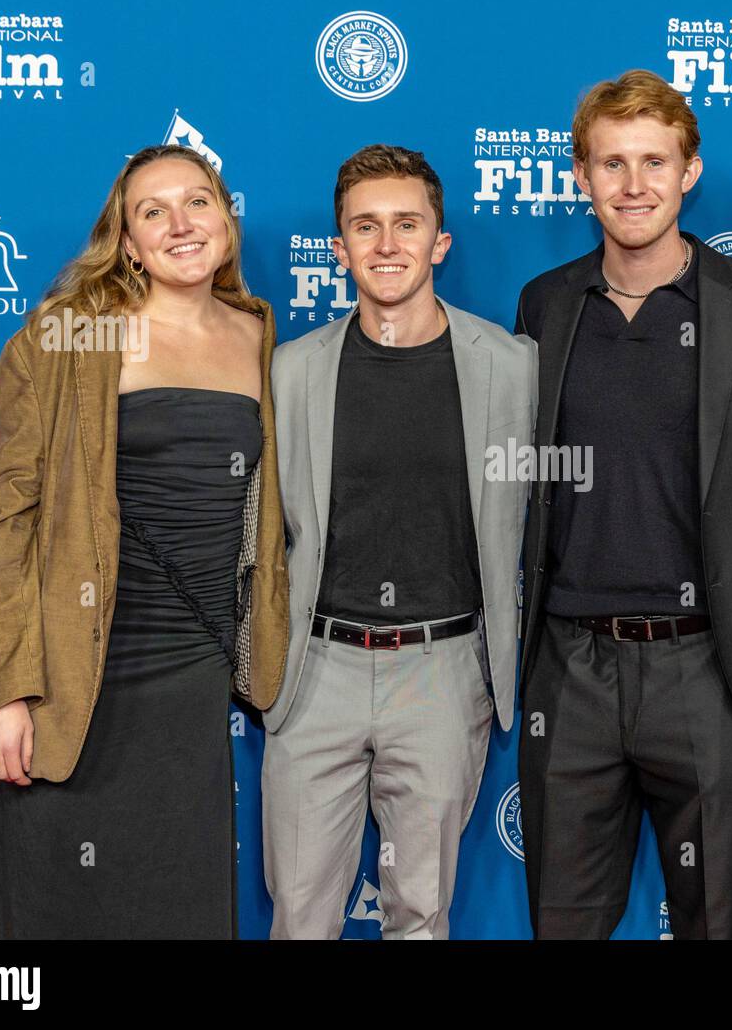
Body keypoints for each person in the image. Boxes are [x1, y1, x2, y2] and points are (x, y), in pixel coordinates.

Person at [0, 144, 289, 938]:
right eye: (153, 211)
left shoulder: (258, 334)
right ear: (129, 242)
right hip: (77, 669)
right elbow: (3, 520)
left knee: (174, 899)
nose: (181, 224)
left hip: (196, 669)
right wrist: (2, 689)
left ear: (226, 222)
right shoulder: (64, 338)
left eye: (198, 202)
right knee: (53, 900)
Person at [514, 70, 732, 939]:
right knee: (563, 922)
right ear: (581, 176)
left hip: (706, 668)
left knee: (712, 921)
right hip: (570, 667)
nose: (633, 185)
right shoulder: (547, 304)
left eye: (654, 162)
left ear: (690, 172)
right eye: (612, 163)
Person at [263, 145, 536, 939]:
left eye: (407, 224)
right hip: (316, 672)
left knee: (421, 914)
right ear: (339, 247)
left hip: (443, 673)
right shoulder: (290, 371)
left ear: (439, 242)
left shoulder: (512, 366)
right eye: (366, 227)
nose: (387, 244)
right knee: (300, 916)